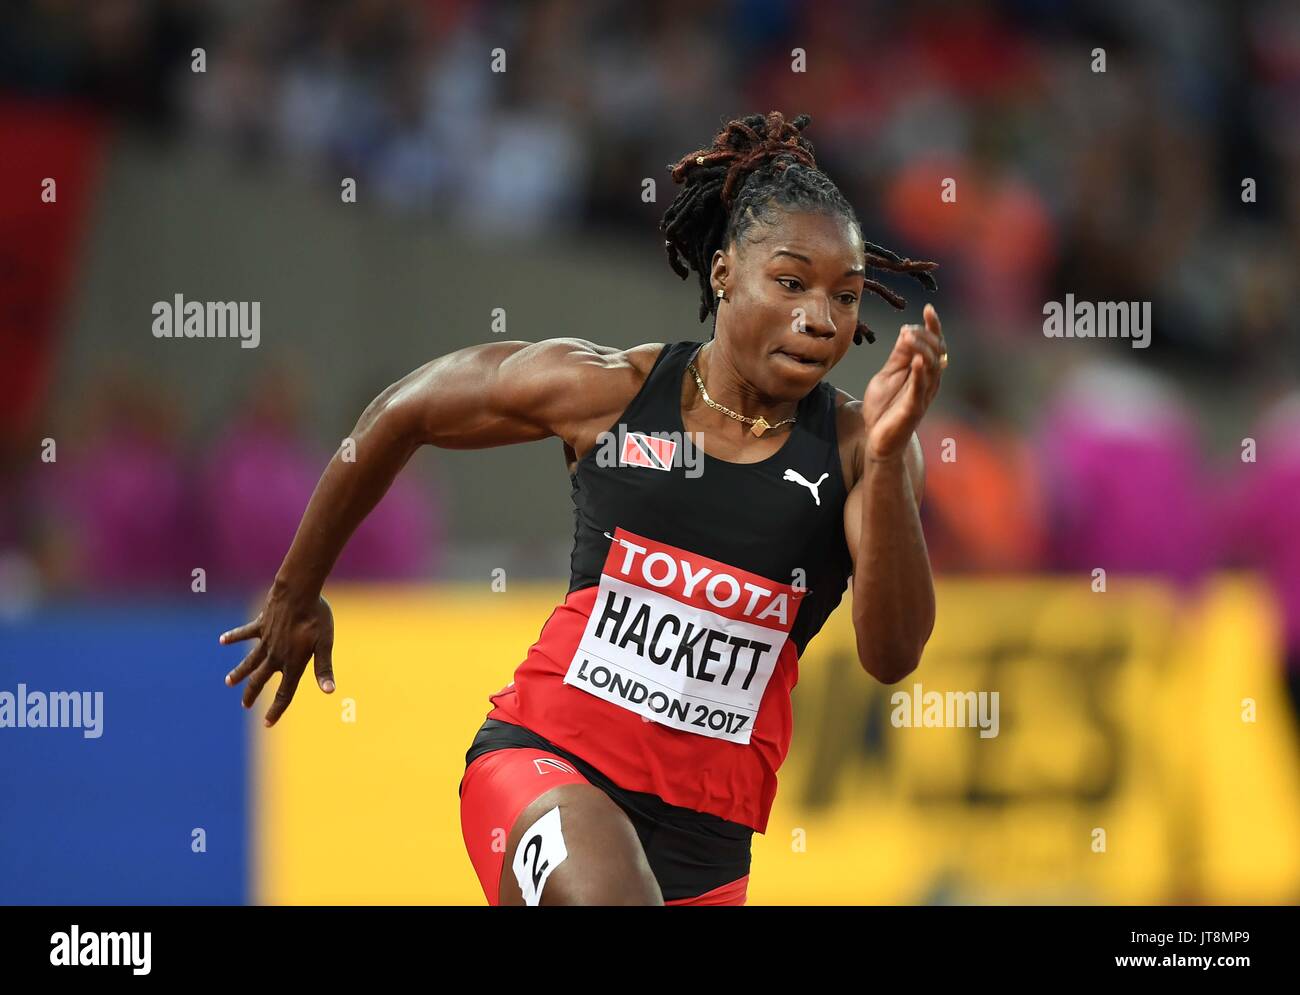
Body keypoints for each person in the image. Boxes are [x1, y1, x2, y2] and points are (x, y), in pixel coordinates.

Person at [219, 111, 946, 906]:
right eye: (791, 281)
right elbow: (404, 412)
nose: (820, 318)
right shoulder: (611, 392)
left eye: (845, 297)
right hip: (547, 764)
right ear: (723, 273)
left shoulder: (859, 446)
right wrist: (297, 588)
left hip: (708, 841)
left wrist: (883, 459)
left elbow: (892, 653)